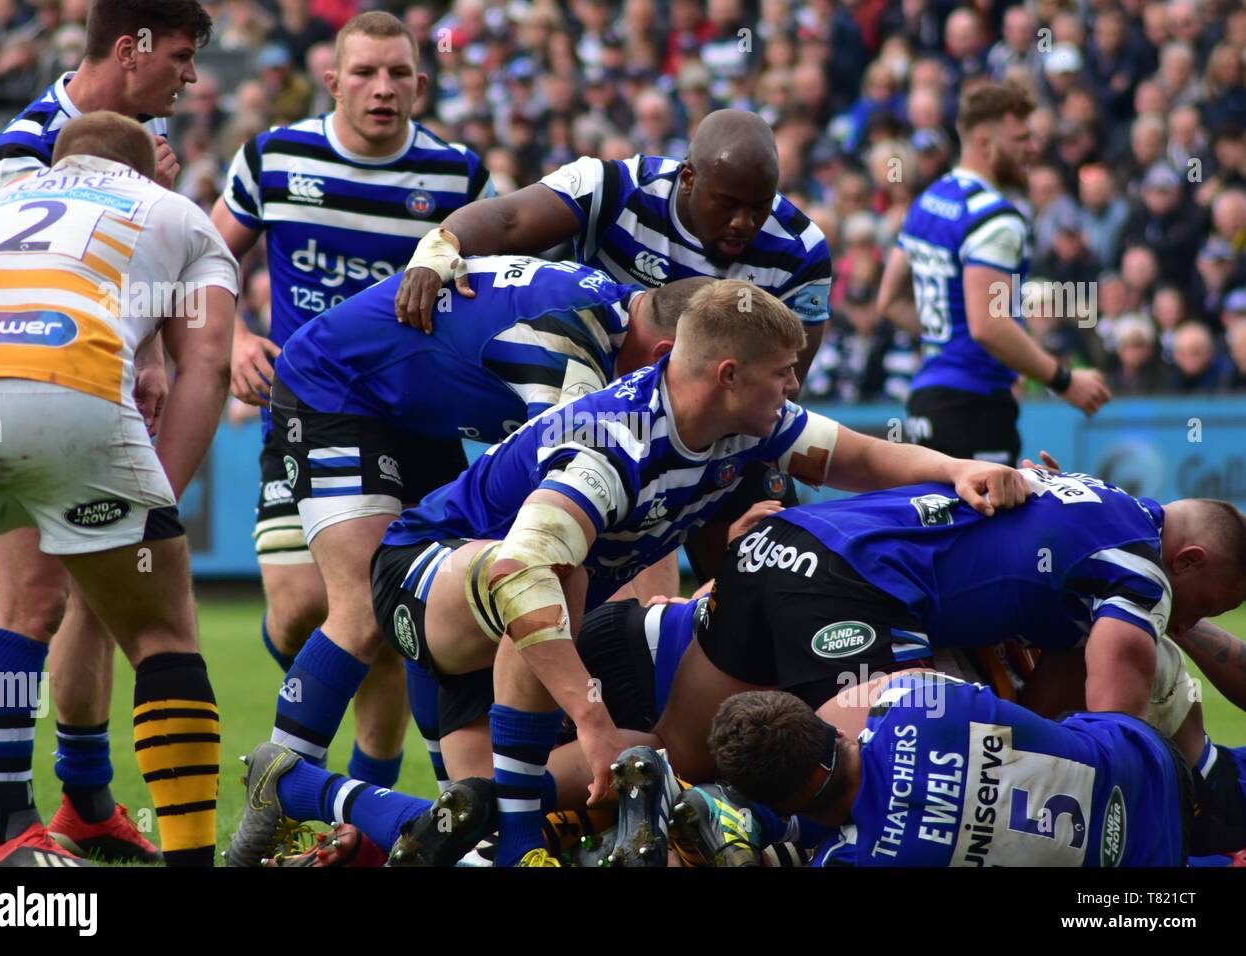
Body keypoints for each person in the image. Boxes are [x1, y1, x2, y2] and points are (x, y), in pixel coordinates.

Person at [223, 281, 1029, 868]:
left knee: (466, 828)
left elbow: (860, 456)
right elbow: (518, 568)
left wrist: (959, 467)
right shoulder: (616, 443)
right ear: (726, 375)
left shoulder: (748, 425)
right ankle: (514, 841)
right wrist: (595, 718)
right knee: (550, 579)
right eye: (784, 371)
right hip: (432, 581)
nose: (794, 387)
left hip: (524, 632)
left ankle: (296, 789)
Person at [265, 258, 702, 790]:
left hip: (417, 412)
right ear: (665, 356)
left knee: (442, 584)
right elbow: (576, 494)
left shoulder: (620, 312)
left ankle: (455, 802)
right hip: (338, 385)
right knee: (366, 607)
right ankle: (279, 791)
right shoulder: (568, 358)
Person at [210, 11, 493, 792]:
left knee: (387, 615)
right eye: (365, 72)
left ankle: (360, 793)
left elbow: (495, 282)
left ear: (420, 83)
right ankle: (330, 783)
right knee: (306, 610)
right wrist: (234, 338)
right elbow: (204, 258)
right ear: (332, 80)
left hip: (418, 424)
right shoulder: (274, 157)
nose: (382, 88)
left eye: (398, 74)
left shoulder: (458, 176)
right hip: (309, 414)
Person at [0, 112, 238, 867]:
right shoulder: (174, 211)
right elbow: (205, 369)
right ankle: (192, 861)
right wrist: (156, 509)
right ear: (145, 169)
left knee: (15, 606)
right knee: (160, 634)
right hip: (68, 386)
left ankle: (14, 828)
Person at [392, 107, 836, 582]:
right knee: (596, 583)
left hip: (724, 433)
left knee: (764, 579)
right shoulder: (615, 188)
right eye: (727, 203)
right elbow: (510, 219)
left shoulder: (801, 249)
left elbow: (784, 387)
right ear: (687, 178)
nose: (744, 222)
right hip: (608, 422)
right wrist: (442, 244)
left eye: (759, 207)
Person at [649, 468, 1246, 787]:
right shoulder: (1143, 577)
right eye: (1207, 605)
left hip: (781, 543)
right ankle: (758, 834)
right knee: (906, 772)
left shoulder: (1097, 496)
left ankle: (564, 808)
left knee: (679, 759)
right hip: (856, 585)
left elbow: (1051, 701)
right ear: (1187, 560)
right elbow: (1109, 734)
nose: (1189, 620)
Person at [707, 678, 1206, 866]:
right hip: (1148, 757)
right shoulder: (907, 701)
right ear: (830, 729)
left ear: (788, 800)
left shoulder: (853, 861)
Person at [879, 81, 1111, 466]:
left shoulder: (930, 201)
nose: (1032, 149)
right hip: (974, 409)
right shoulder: (996, 218)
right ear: (985, 142)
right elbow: (988, 325)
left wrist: (962, 346)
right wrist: (1065, 381)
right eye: (1021, 139)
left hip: (926, 402)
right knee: (990, 523)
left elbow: (890, 300)